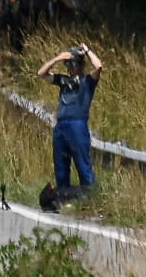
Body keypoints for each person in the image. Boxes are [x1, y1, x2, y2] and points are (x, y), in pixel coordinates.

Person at [39, 43, 104, 201]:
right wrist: (58, 58)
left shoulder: (87, 81)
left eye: (72, 65)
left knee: (82, 164)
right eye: (67, 65)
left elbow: (98, 66)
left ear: (80, 65)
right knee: (60, 165)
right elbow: (41, 73)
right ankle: (63, 199)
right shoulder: (63, 80)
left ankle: (91, 198)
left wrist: (87, 50)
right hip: (61, 126)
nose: (70, 69)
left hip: (77, 125)